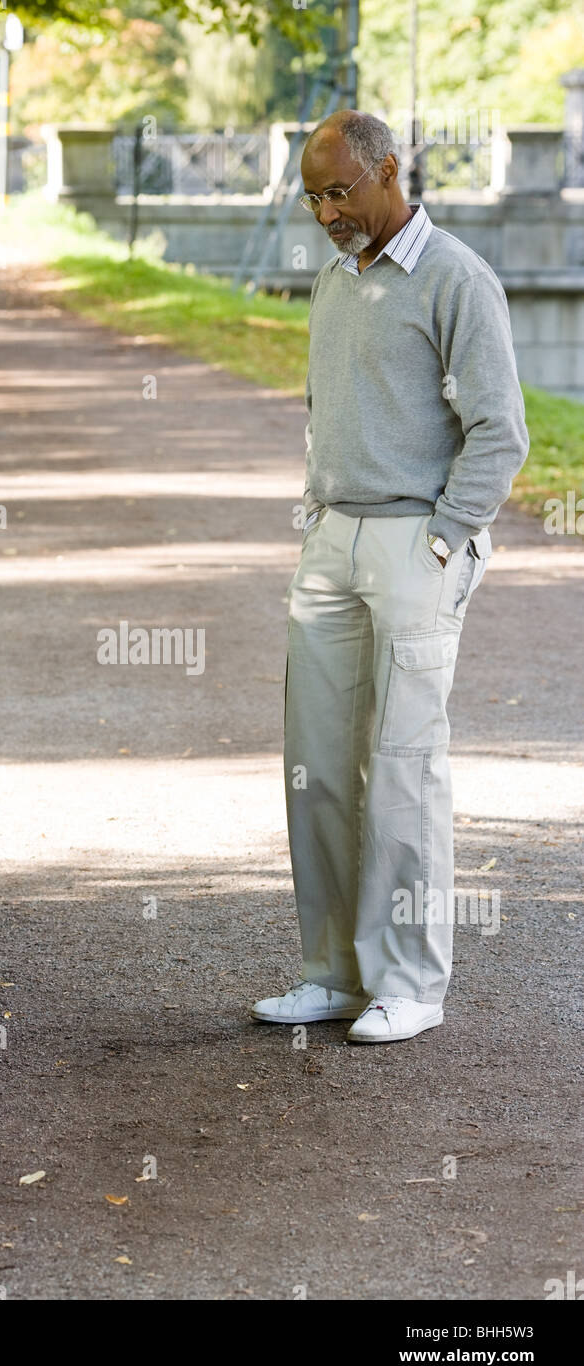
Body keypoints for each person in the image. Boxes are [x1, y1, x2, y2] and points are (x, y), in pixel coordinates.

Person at [252, 110, 529, 1044]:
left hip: (419, 543)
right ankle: (332, 973)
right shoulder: (336, 280)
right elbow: (323, 412)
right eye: (314, 197)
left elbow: (501, 430)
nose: (327, 212)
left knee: (405, 770)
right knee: (320, 768)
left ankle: (409, 982)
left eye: (340, 191)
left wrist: (448, 538)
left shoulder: (455, 278)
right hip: (330, 545)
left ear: (389, 171)